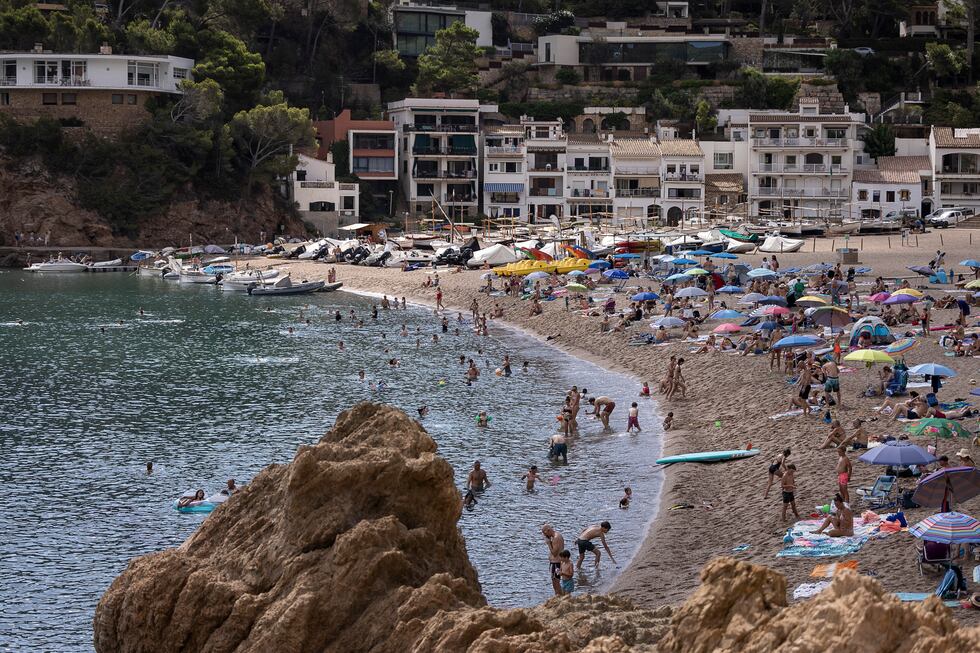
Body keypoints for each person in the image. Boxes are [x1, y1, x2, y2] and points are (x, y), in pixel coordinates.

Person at [542, 525, 565, 596]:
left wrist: (548, 543)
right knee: (555, 581)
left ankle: (559, 596)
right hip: (555, 563)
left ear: (548, 530)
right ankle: (559, 596)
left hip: (556, 563)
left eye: (545, 533)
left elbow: (554, 553)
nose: (545, 536)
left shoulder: (556, 537)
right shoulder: (555, 537)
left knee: (556, 582)